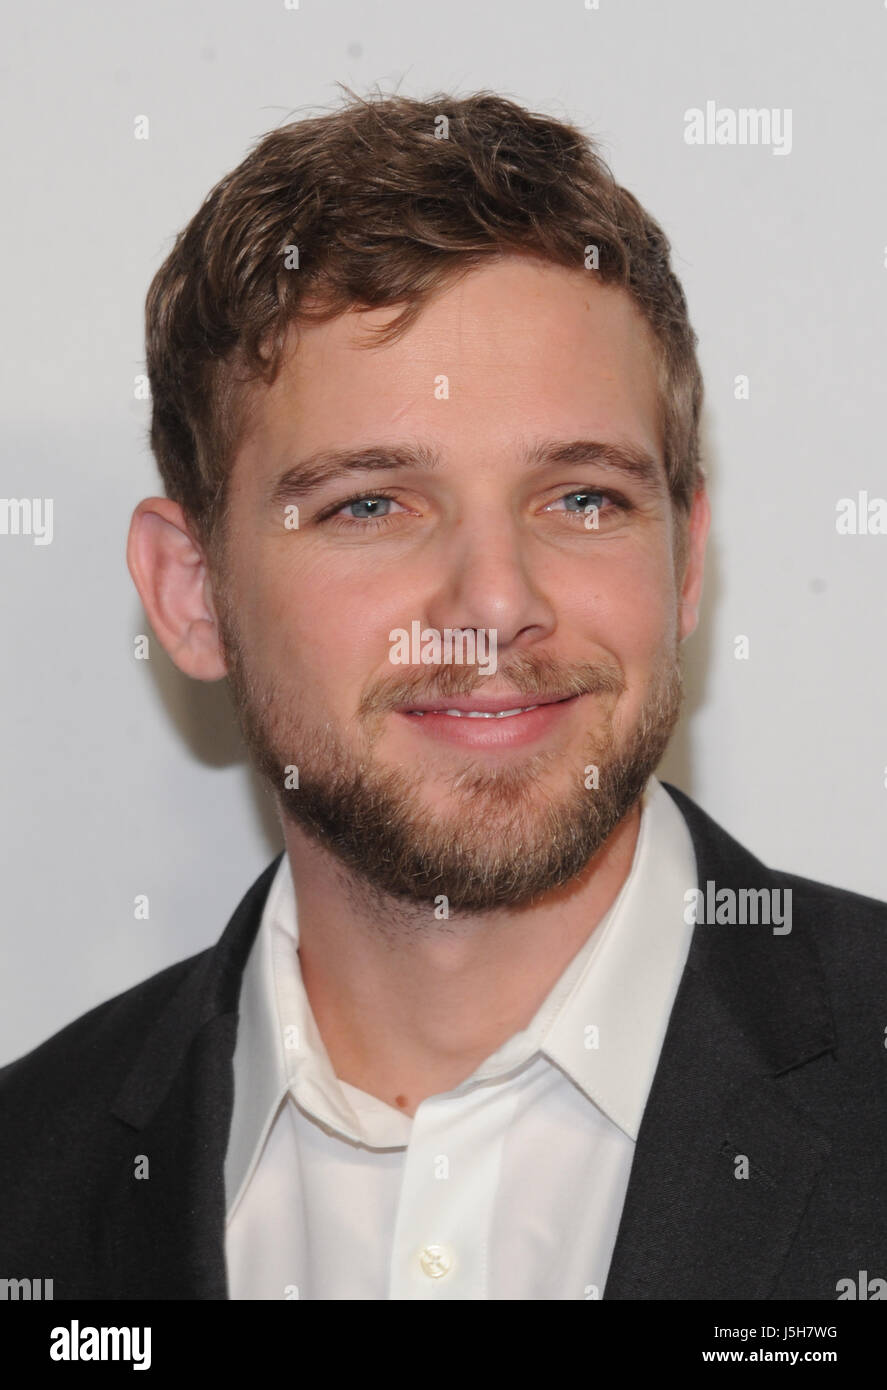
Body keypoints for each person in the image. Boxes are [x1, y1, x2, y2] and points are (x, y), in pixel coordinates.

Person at [2, 88, 885, 1302]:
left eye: (581, 498)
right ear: (192, 592)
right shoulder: (27, 1183)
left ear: (683, 560)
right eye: (370, 504)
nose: (490, 602)